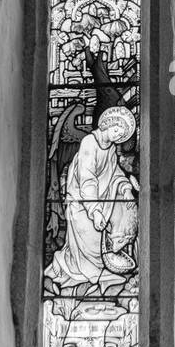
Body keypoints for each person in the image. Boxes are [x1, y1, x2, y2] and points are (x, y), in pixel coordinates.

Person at [46, 106, 138, 291]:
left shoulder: (111, 148)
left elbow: (114, 173)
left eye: (121, 133)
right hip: (81, 203)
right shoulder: (89, 142)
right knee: (90, 240)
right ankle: (82, 275)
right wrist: (94, 211)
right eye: (116, 129)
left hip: (99, 202)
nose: (117, 135)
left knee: (102, 240)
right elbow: (87, 179)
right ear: (107, 125)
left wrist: (125, 187)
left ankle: (91, 273)